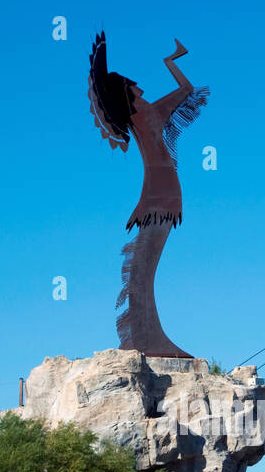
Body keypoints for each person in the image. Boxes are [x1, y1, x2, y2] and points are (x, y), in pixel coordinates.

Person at [88, 33, 209, 358]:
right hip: (159, 193)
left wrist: (172, 61)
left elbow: (186, 91)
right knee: (143, 271)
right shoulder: (141, 116)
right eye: (132, 88)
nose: (139, 89)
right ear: (127, 96)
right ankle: (147, 339)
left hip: (164, 192)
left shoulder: (152, 112)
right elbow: (185, 93)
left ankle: (150, 338)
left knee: (145, 270)